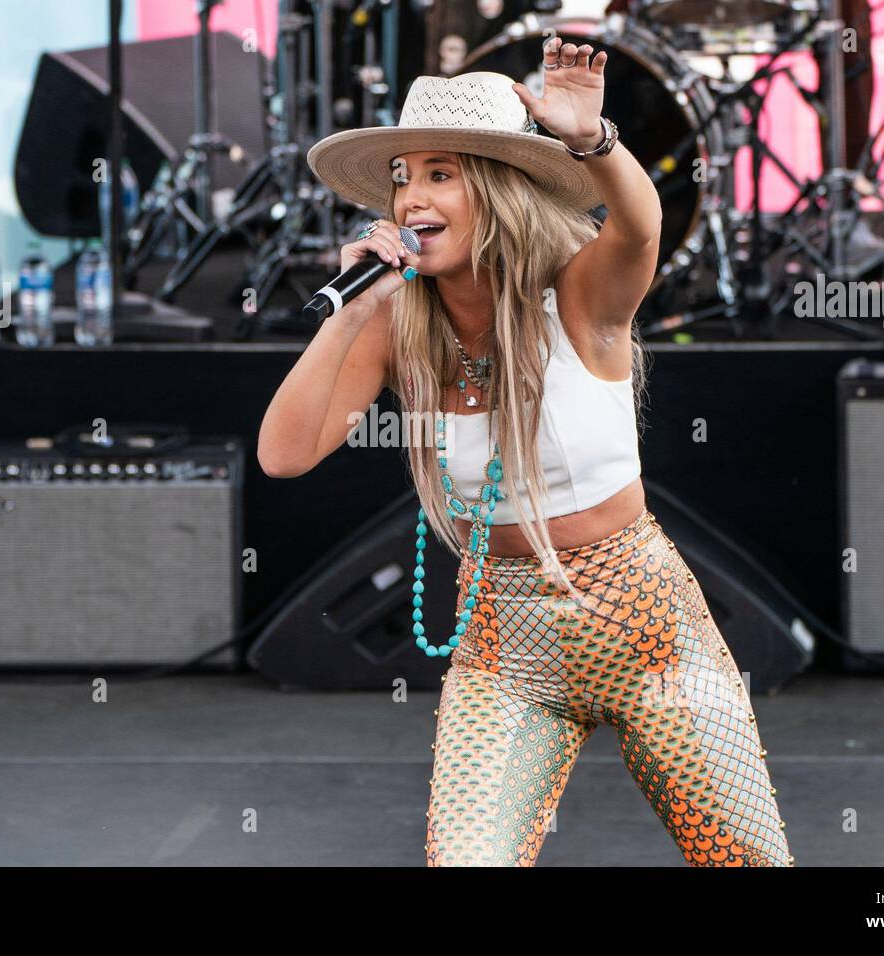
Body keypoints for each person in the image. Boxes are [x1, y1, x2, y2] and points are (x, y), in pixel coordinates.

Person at [258, 41, 794, 867]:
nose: (412, 197)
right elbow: (284, 455)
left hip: (644, 625)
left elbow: (641, 230)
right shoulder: (397, 326)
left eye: (441, 173)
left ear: (500, 190)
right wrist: (350, 311)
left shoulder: (577, 295)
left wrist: (594, 140)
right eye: (403, 176)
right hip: (504, 648)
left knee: (747, 860)